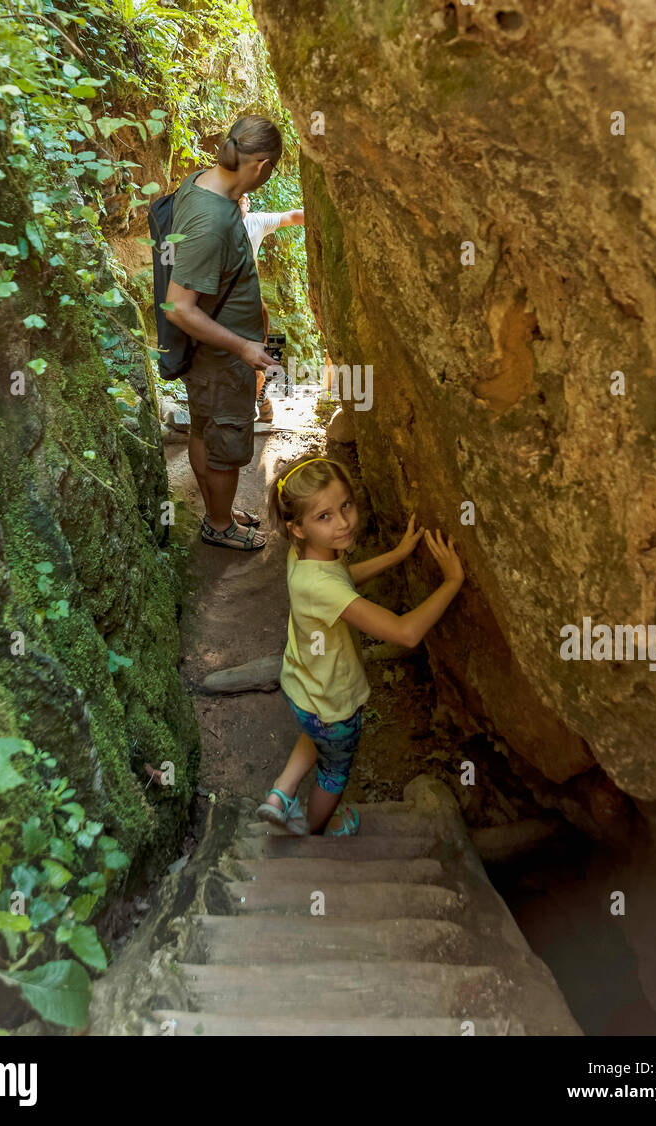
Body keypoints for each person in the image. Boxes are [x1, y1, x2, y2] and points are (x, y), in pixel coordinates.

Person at [256, 454, 465, 835]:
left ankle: (280, 793)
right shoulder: (324, 586)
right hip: (334, 702)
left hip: (301, 685)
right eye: (325, 517)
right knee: (334, 773)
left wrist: (397, 555)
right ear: (298, 527)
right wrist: (451, 582)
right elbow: (406, 633)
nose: (343, 522)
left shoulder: (300, 556)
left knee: (314, 730)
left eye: (345, 506)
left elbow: (342, 580)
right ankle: (314, 828)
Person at [163, 116, 283, 551]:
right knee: (226, 441)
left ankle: (220, 511)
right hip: (221, 356)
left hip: (208, 353)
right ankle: (219, 525)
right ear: (261, 165)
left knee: (203, 428)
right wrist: (243, 346)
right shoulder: (211, 220)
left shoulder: (202, 181)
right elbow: (178, 306)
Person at [238, 194, 304, 423]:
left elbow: (291, 216)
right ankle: (258, 404)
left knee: (255, 351)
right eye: (235, 196)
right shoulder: (215, 221)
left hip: (248, 297)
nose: (239, 200)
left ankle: (262, 403)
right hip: (222, 298)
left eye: (243, 198)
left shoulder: (257, 221)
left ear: (248, 202)